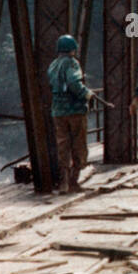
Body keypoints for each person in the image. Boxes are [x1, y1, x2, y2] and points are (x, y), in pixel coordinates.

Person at [47, 34, 91, 193]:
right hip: (74, 110)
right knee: (79, 144)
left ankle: (63, 183)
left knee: (63, 145)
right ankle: (74, 181)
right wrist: (85, 93)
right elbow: (73, 82)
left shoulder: (53, 65)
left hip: (58, 111)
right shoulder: (72, 63)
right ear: (73, 48)